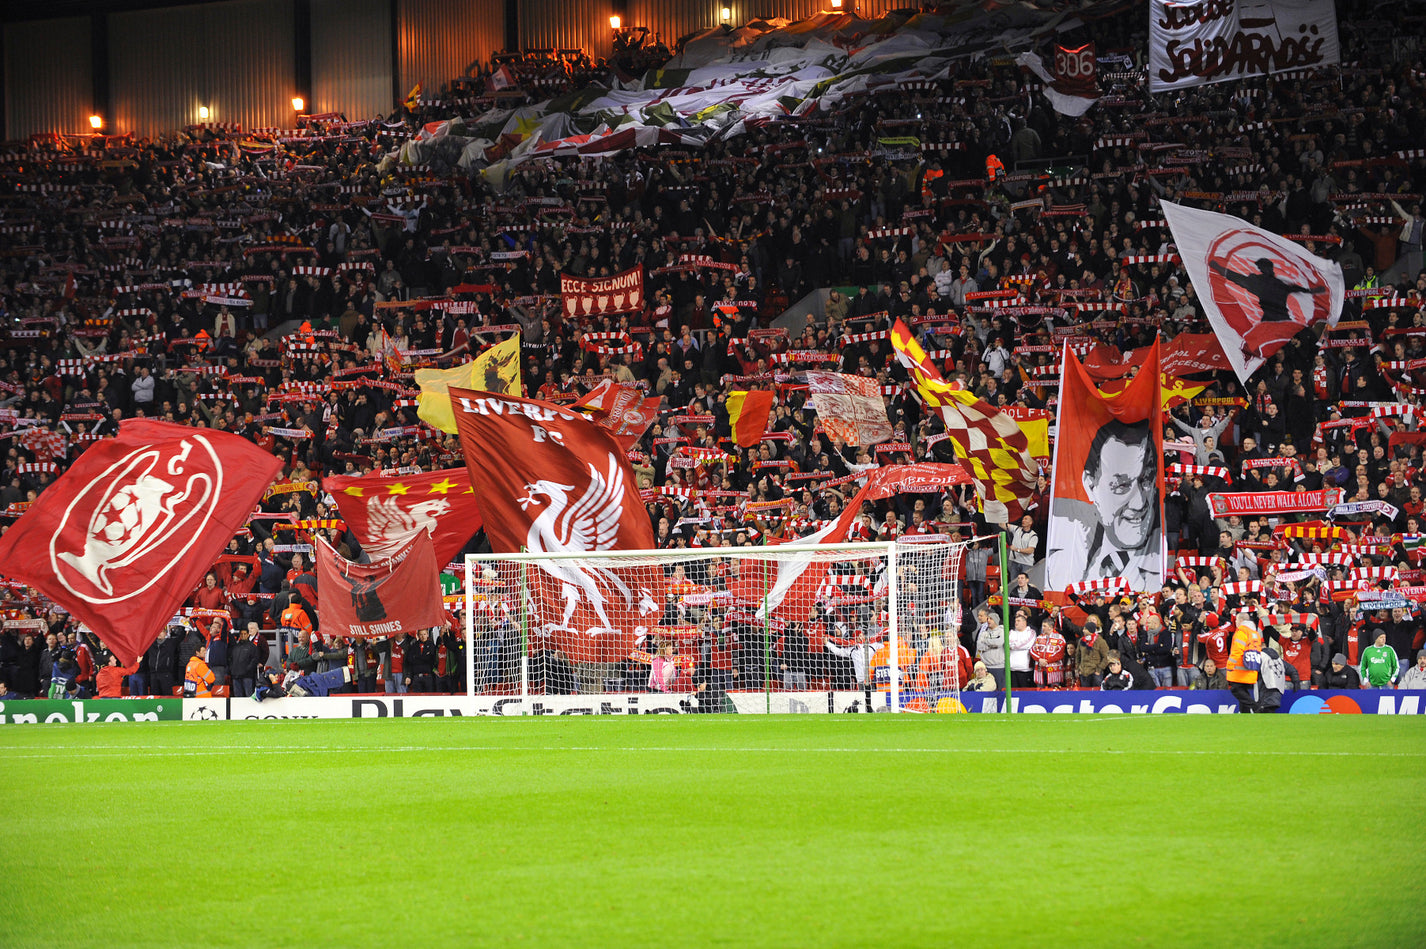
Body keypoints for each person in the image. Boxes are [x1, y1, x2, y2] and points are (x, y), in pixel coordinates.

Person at [1046, 419, 1161, 591]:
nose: (1139, 503)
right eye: (1122, 486)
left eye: (1146, 481)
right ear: (1091, 486)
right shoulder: (1062, 561)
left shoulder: (1162, 569)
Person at [1226, 618, 1264, 713]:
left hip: (1239, 668)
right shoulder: (1255, 634)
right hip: (1251, 668)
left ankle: (1256, 707)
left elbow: (1237, 649)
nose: (1235, 623)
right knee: (1243, 691)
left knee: (1236, 689)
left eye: (1237, 620)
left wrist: (1230, 664)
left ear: (1241, 620)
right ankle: (1245, 714)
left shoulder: (1242, 632)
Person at [229, 623, 263, 698]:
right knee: (238, 697)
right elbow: (231, 659)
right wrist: (232, 669)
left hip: (247, 676)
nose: (243, 635)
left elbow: (255, 660)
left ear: (248, 635)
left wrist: (247, 669)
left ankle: (250, 710)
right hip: (236, 675)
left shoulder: (252, 647)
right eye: (241, 634)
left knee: (248, 696)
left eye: (245, 634)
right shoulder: (235, 647)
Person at [1075, 619, 1110, 688]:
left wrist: (1099, 670)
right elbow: (1078, 655)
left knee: (1097, 694)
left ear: (1090, 630)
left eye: (1085, 629)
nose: (1083, 630)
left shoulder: (1100, 641)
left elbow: (1106, 657)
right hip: (1084, 672)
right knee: (1085, 694)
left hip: (1095, 673)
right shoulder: (1081, 641)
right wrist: (1079, 668)